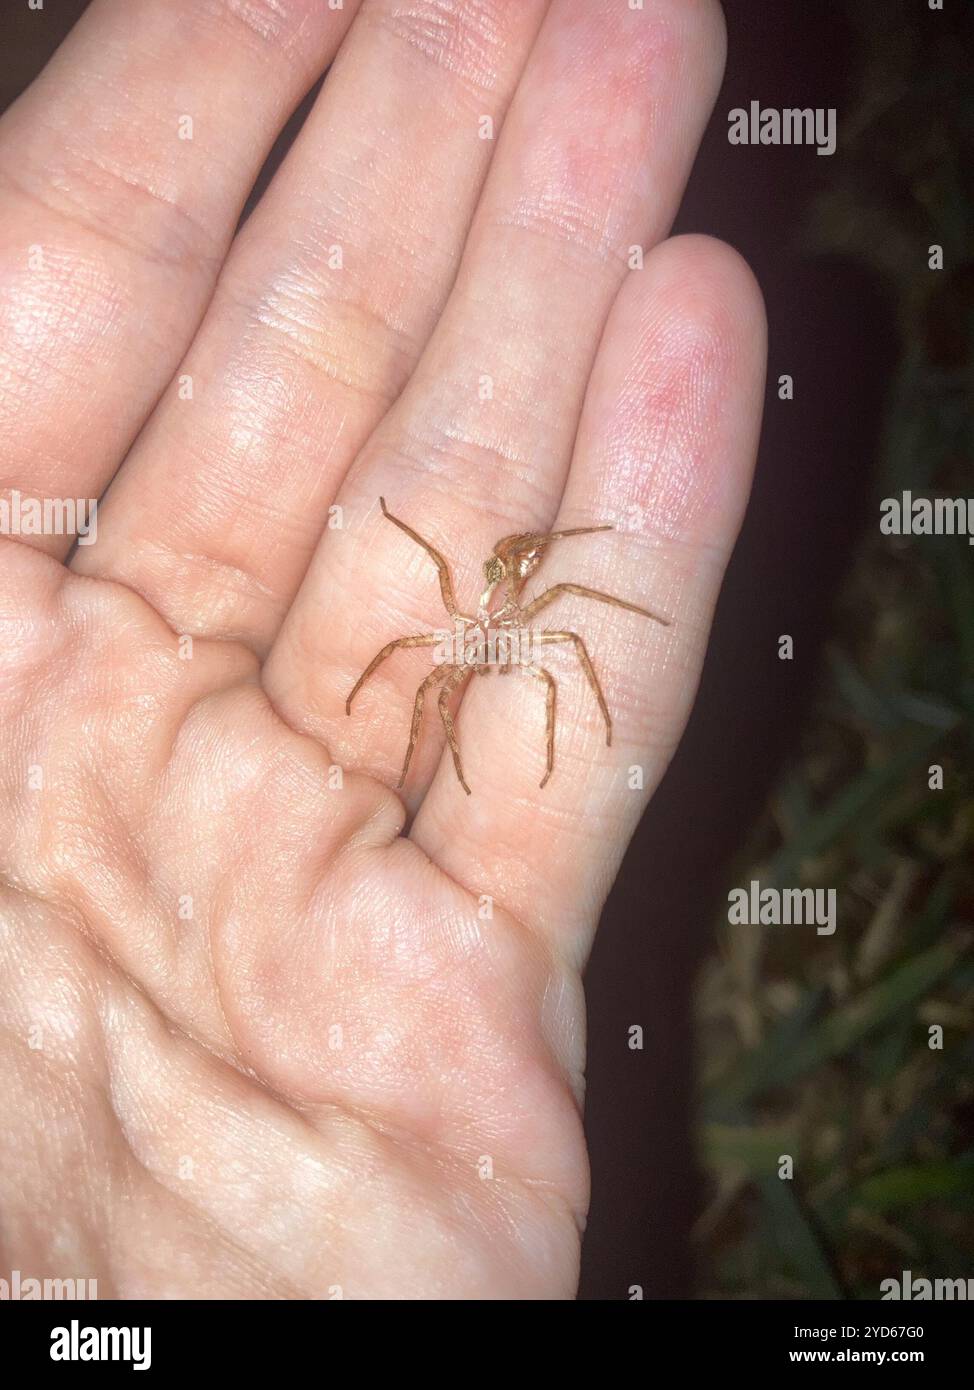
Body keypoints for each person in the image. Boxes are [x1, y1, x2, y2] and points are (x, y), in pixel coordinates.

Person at [0, 0, 765, 1298]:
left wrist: (545, 646)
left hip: (518, 597)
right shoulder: (457, 619)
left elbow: (569, 630)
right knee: (422, 654)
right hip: (477, 598)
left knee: (561, 637)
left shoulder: (532, 613)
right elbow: (439, 593)